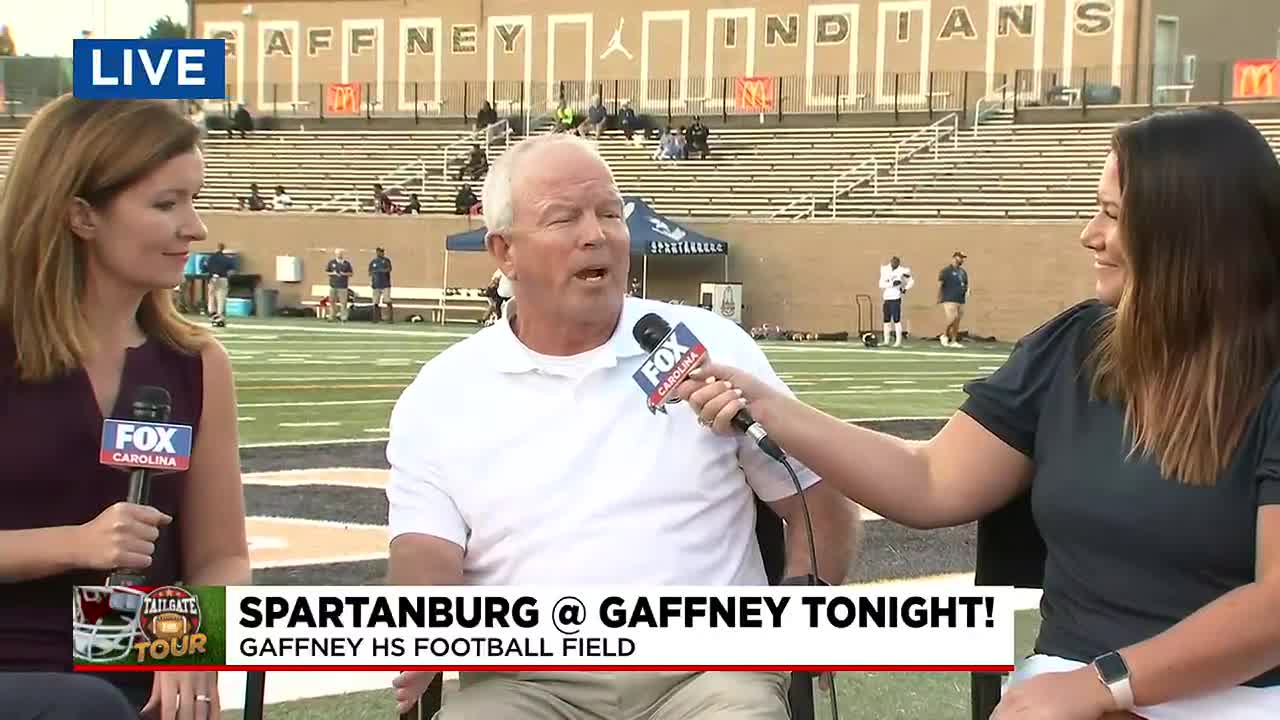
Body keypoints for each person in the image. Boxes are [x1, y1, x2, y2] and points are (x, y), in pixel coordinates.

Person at [677, 107, 1280, 719]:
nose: (1089, 234)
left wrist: (1102, 687)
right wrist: (767, 405)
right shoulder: (1075, 348)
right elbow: (931, 481)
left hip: (1235, 695)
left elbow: (1275, 605)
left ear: (1188, 235)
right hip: (1070, 683)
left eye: (1114, 215)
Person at [385, 133, 857, 718]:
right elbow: (425, 547)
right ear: (504, 251)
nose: (598, 234)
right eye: (565, 219)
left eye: (611, 213)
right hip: (526, 683)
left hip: (710, 675)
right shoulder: (443, 390)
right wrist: (418, 632)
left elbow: (815, 496)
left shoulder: (706, 347)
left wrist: (804, 607)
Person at [0, 96, 251, 717]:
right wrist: (74, 544)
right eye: (166, 205)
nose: (193, 228)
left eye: (194, 200)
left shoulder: (195, 363)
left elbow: (221, 556)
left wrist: (194, 647)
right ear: (82, 214)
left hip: (133, 666)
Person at [878, 255, 913, 347]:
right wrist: (892, 284)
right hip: (886, 297)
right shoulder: (885, 269)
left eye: (896, 263)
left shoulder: (903, 271)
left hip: (896, 298)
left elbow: (911, 280)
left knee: (896, 320)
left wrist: (905, 288)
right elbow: (881, 284)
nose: (894, 264)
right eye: (893, 262)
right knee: (886, 320)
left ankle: (898, 341)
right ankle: (886, 340)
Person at [200, 242, 235, 328]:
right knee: (221, 298)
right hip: (223, 279)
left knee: (211, 297)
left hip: (212, 279)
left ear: (216, 248)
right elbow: (232, 269)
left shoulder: (210, 258)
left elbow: (204, 268)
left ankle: (212, 314)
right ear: (223, 249)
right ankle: (220, 316)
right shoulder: (226, 258)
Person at [937, 250, 968, 346]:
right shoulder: (946, 271)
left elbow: (966, 284)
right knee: (952, 318)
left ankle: (954, 340)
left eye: (963, 258)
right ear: (955, 258)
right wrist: (939, 297)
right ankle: (944, 335)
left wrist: (967, 290)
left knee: (957, 321)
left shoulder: (963, 272)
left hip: (960, 299)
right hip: (949, 298)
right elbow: (940, 284)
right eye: (960, 258)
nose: (962, 260)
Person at [325, 249, 353, 322]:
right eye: (338, 253)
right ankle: (331, 316)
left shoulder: (346, 263)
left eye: (340, 253)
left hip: (343, 286)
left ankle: (343, 317)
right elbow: (327, 272)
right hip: (333, 285)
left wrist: (343, 274)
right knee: (332, 302)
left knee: (343, 302)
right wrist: (333, 273)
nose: (339, 255)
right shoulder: (331, 263)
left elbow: (351, 273)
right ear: (335, 254)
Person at [369, 247, 393, 323]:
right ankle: (376, 318)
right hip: (376, 284)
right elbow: (370, 272)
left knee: (387, 300)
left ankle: (390, 317)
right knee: (375, 302)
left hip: (385, 284)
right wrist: (372, 281)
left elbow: (388, 269)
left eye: (382, 251)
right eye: (379, 251)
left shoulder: (386, 261)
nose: (380, 253)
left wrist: (380, 271)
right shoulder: (373, 262)